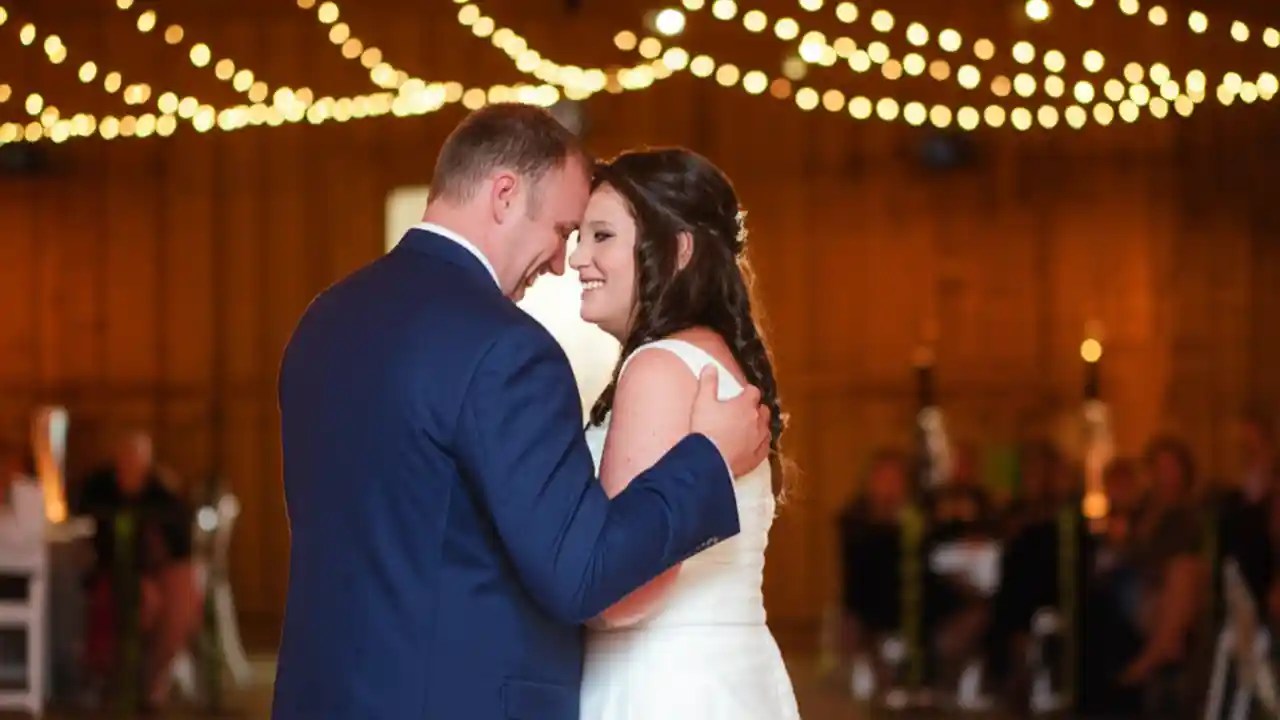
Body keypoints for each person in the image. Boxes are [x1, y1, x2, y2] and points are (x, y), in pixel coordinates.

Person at [270, 104, 771, 720]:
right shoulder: (506, 347)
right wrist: (708, 461)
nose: (563, 262)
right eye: (564, 231)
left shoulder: (323, 321)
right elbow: (582, 575)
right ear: (505, 195)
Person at [568, 147, 800, 718]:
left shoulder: (659, 368)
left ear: (677, 249)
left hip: (658, 687)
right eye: (579, 235)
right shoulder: (711, 360)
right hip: (732, 677)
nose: (577, 257)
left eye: (601, 236)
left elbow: (621, 592)